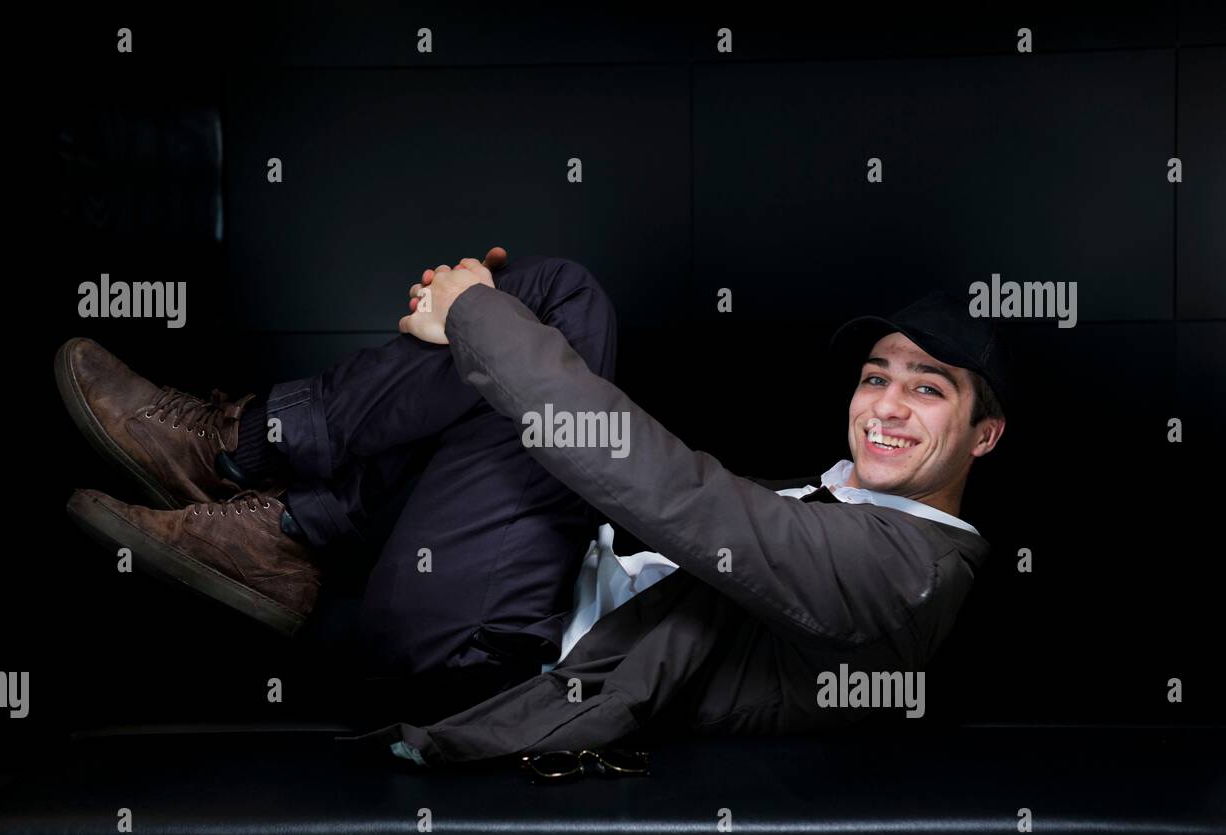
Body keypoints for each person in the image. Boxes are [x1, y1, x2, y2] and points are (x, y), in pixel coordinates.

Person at [57, 249, 1009, 766]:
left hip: (502, 666)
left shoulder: (909, 571)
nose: (885, 406)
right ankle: (276, 523)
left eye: (929, 391)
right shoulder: (851, 502)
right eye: (876, 377)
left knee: (549, 304)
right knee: (535, 326)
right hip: (508, 610)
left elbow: (677, 497)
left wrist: (475, 313)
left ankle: (239, 458)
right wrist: (488, 331)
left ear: (983, 436)